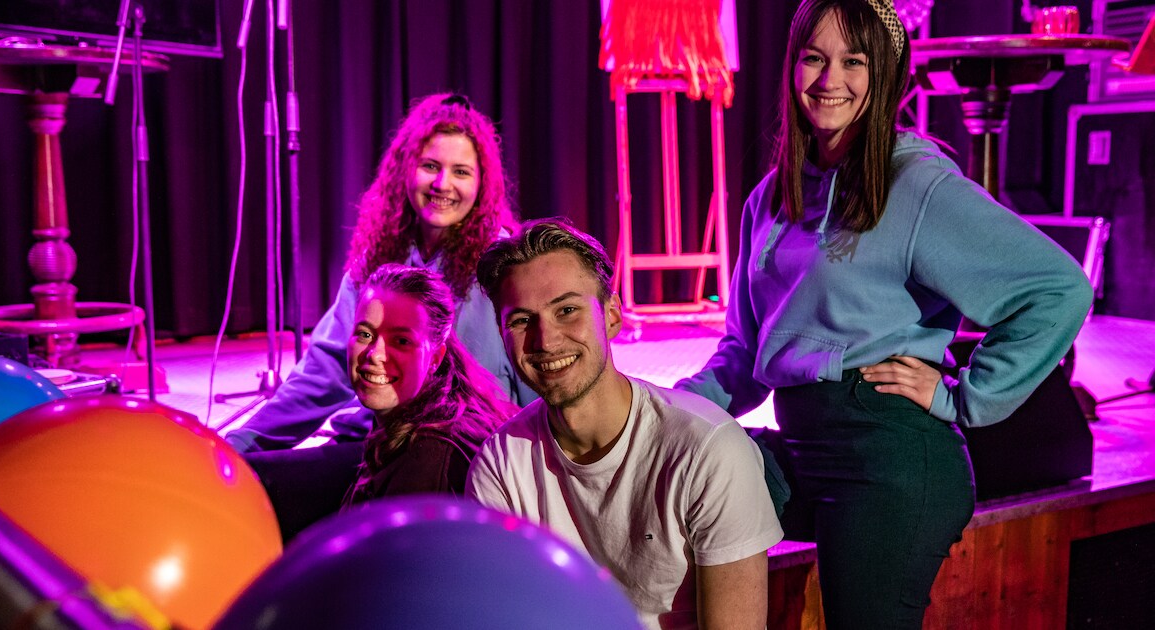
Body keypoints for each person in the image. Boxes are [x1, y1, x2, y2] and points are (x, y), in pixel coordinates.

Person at [675, 1, 1094, 627]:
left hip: (889, 457)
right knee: (680, 486)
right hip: (803, 448)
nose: (829, 80)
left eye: (854, 62)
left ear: (886, 76)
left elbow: (1059, 289)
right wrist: (666, 412)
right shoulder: (771, 197)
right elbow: (744, 351)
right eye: (813, 58)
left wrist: (964, 396)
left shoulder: (916, 184)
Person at [468, 218, 783, 630]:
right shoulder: (500, 463)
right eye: (522, 320)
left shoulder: (709, 449)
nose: (545, 340)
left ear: (612, 315)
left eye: (567, 311)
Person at [225, 92, 536, 454]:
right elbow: (324, 371)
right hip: (374, 442)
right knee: (259, 473)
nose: (442, 184)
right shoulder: (379, 255)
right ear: (405, 169)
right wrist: (242, 443)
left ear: (482, 184)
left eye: (461, 172)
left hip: (460, 450)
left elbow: (536, 383)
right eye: (430, 166)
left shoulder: (501, 267)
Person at [246, 264, 515, 541]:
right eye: (365, 334)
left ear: (435, 358)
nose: (375, 354)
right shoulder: (407, 415)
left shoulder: (429, 458)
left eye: (401, 341)